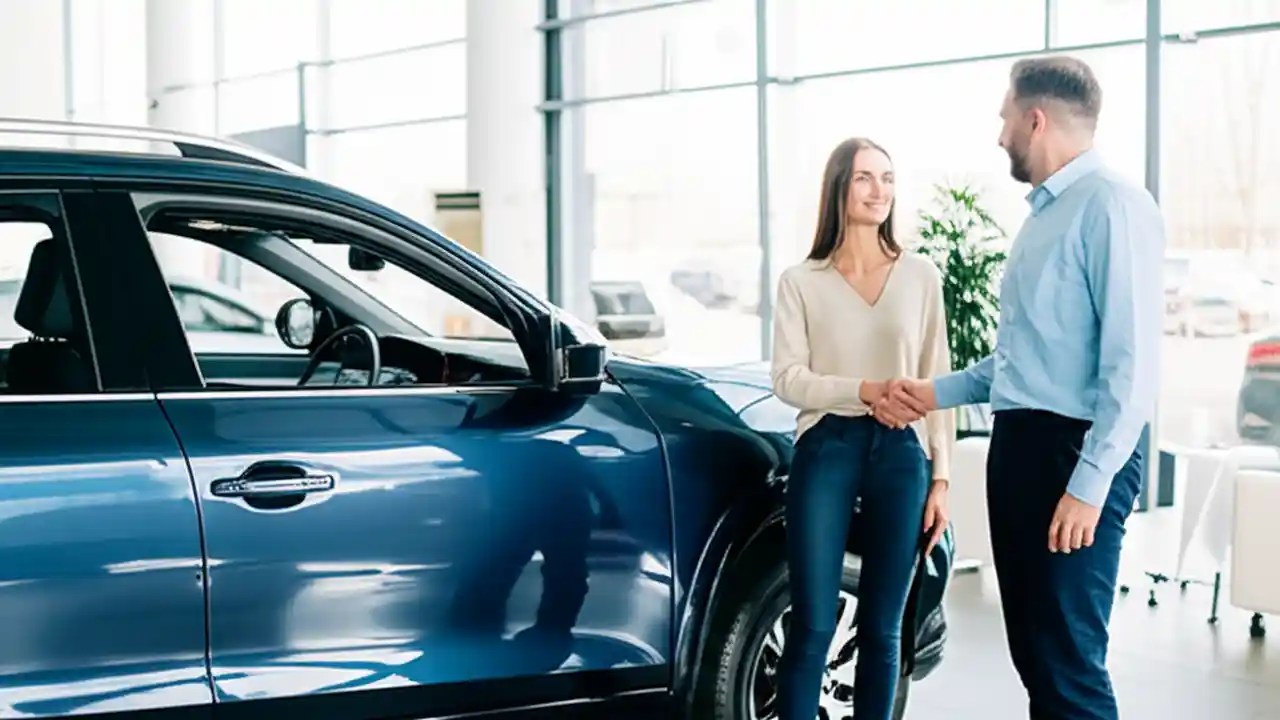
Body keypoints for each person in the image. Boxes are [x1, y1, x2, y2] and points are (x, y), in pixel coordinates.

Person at [883, 55, 1164, 719]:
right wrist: (931, 392)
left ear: (1035, 119)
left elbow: (1132, 368)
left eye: (1006, 117)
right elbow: (1019, 362)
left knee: (1068, 663)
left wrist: (1088, 486)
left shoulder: (1113, 206)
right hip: (1024, 447)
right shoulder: (1043, 219)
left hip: (1073, 454)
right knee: (1037, 657)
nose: (1000, 134)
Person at [770, 136, 954, 720]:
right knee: (813, 624)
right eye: (866, 179)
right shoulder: (802, 281)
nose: (881, 191)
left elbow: (938, 378)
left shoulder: (920, 275)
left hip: (902, 454)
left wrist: (942, 478)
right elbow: (789, 380)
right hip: (827, 447)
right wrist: (863, 391)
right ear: (839, 189)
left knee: (883, 627)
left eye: (889, 179)